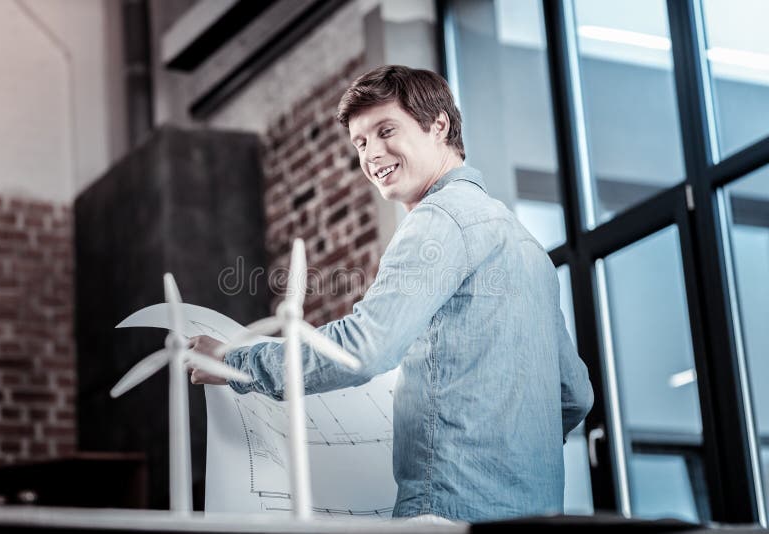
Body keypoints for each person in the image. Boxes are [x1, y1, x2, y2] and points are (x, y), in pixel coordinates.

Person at [187, 65, 594, 523]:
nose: (372, 154)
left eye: (386, 131)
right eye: (360, 142)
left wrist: (235, 362)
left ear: (439, 125)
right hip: (537, 516)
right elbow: (575, 394)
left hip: (447, 513)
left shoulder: (439, 221)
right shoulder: (525, 244)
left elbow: (364, 349)